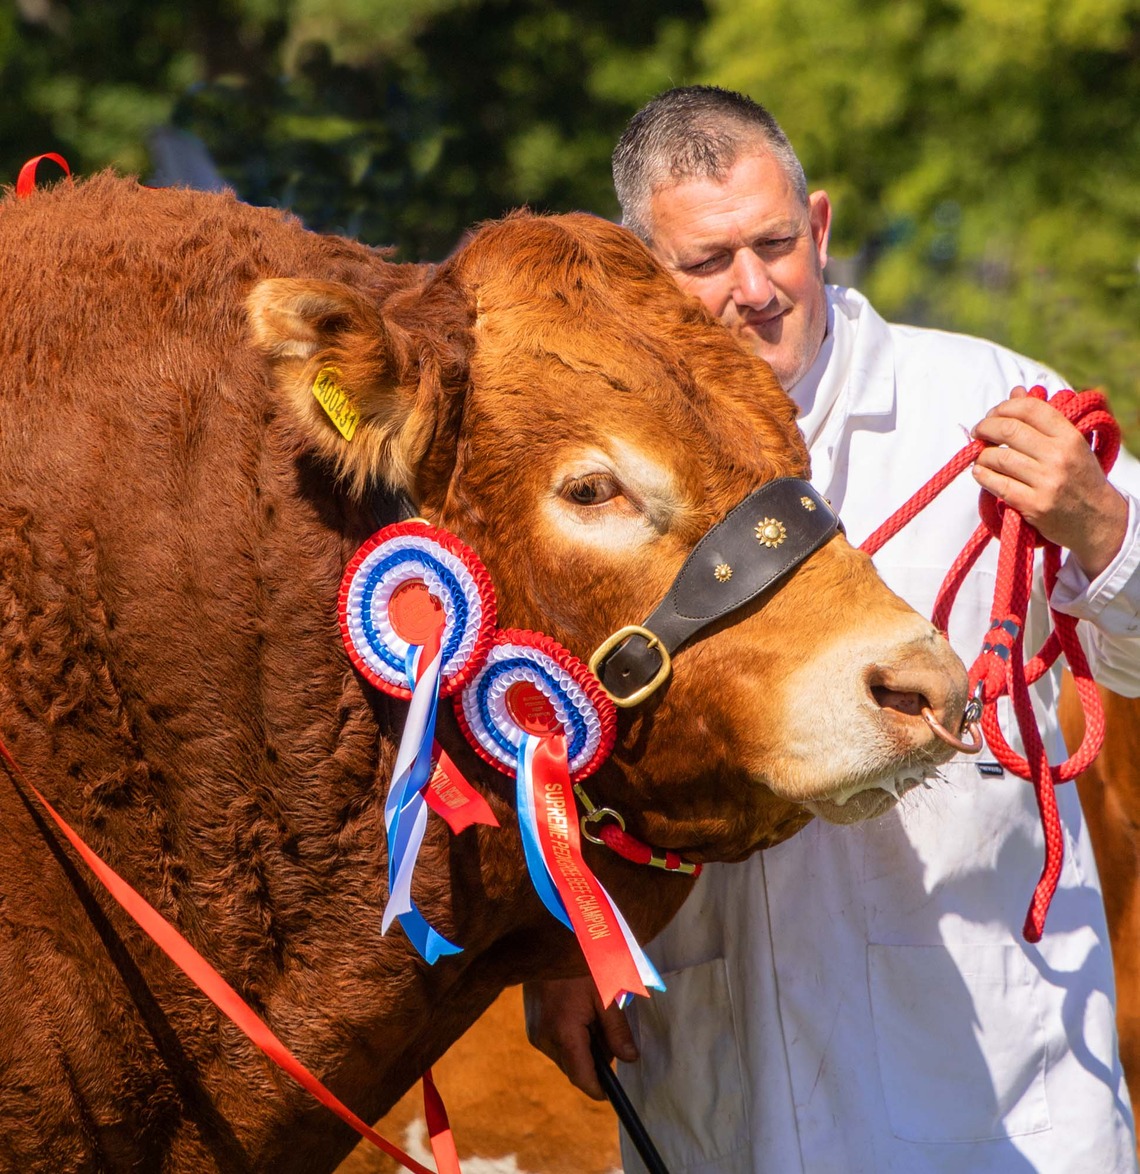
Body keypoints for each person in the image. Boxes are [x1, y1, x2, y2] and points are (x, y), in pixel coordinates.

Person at [524, 85, 1140, 1173]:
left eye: (774, 244)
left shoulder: (988, 399)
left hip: (993, 1094)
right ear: (639, 272)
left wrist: (1101, 527)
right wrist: (572, 936)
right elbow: (552, 734)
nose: (755, 290)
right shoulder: (594, 474)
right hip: (722, 1086)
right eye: (708, 261)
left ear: (818, 226)